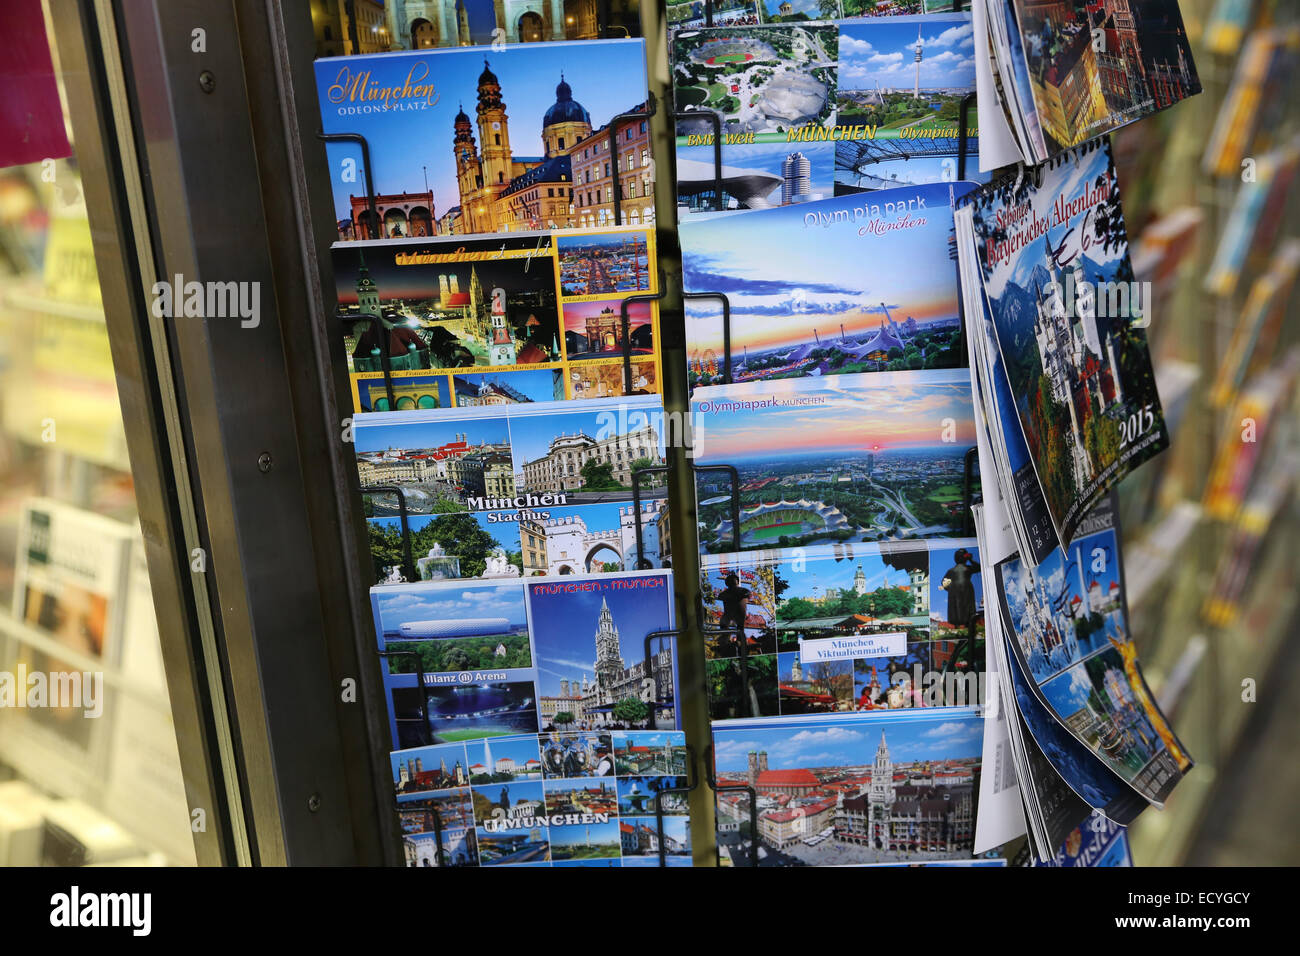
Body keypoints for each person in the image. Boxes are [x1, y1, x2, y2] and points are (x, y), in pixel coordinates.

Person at [717, 573, 751, 652]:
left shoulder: (743, 590)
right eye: (730, 580)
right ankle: (725, 639)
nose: (732, 581)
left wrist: (735, 596)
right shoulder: (725, 593)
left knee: (740, 628)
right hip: (728, 613)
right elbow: (720, 596)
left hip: (739, 612)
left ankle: (741, 642)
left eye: (733, 579)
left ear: (737, 581)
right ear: (727, 583)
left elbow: (748, 593)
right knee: (724, 624)